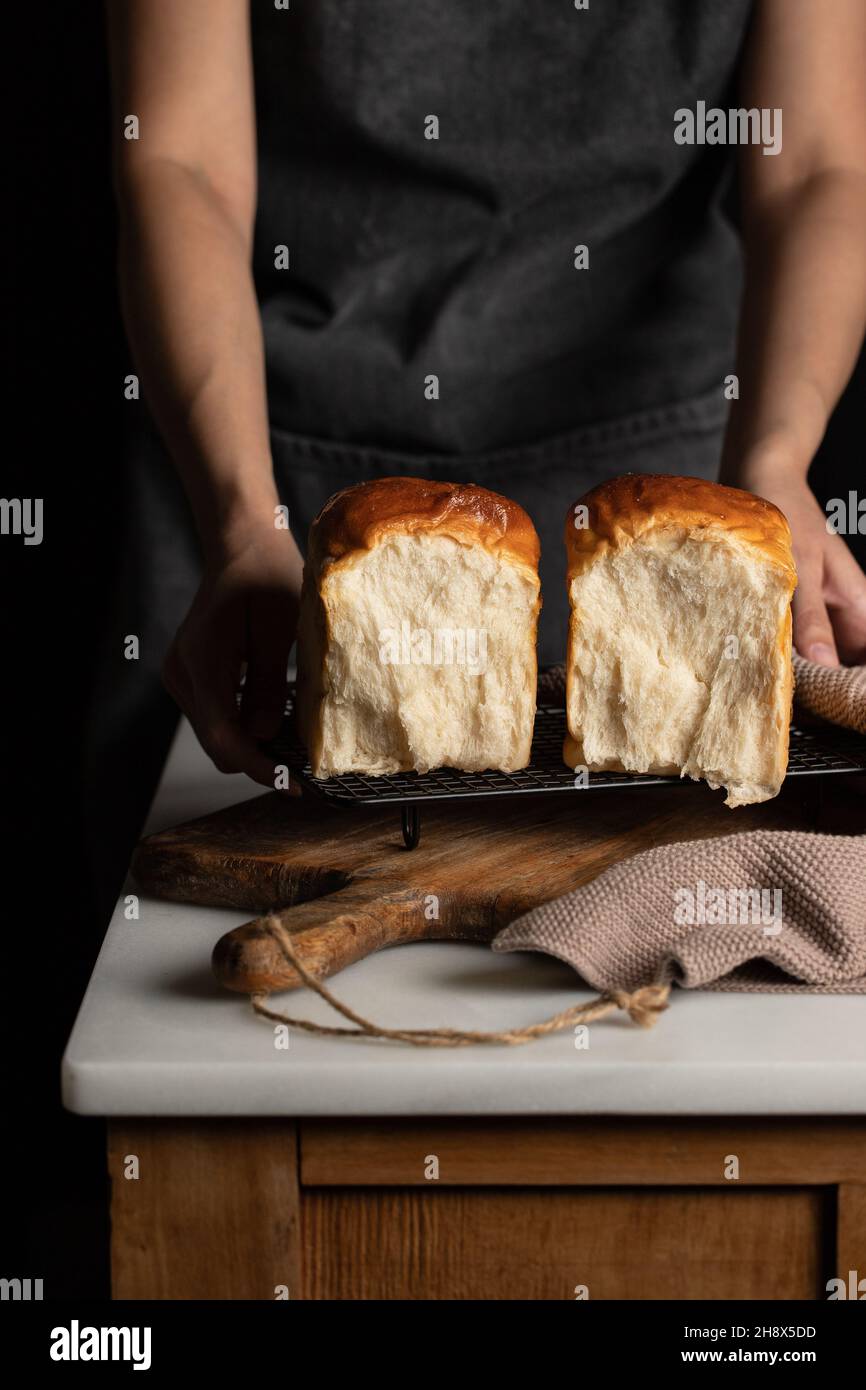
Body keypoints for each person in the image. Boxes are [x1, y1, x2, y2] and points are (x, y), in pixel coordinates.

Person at [106, 0, 866, 788]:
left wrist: (776, 463)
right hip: (254, 464)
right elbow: (182, 160)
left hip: (678, 487)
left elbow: (815, 165)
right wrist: (237, 517)